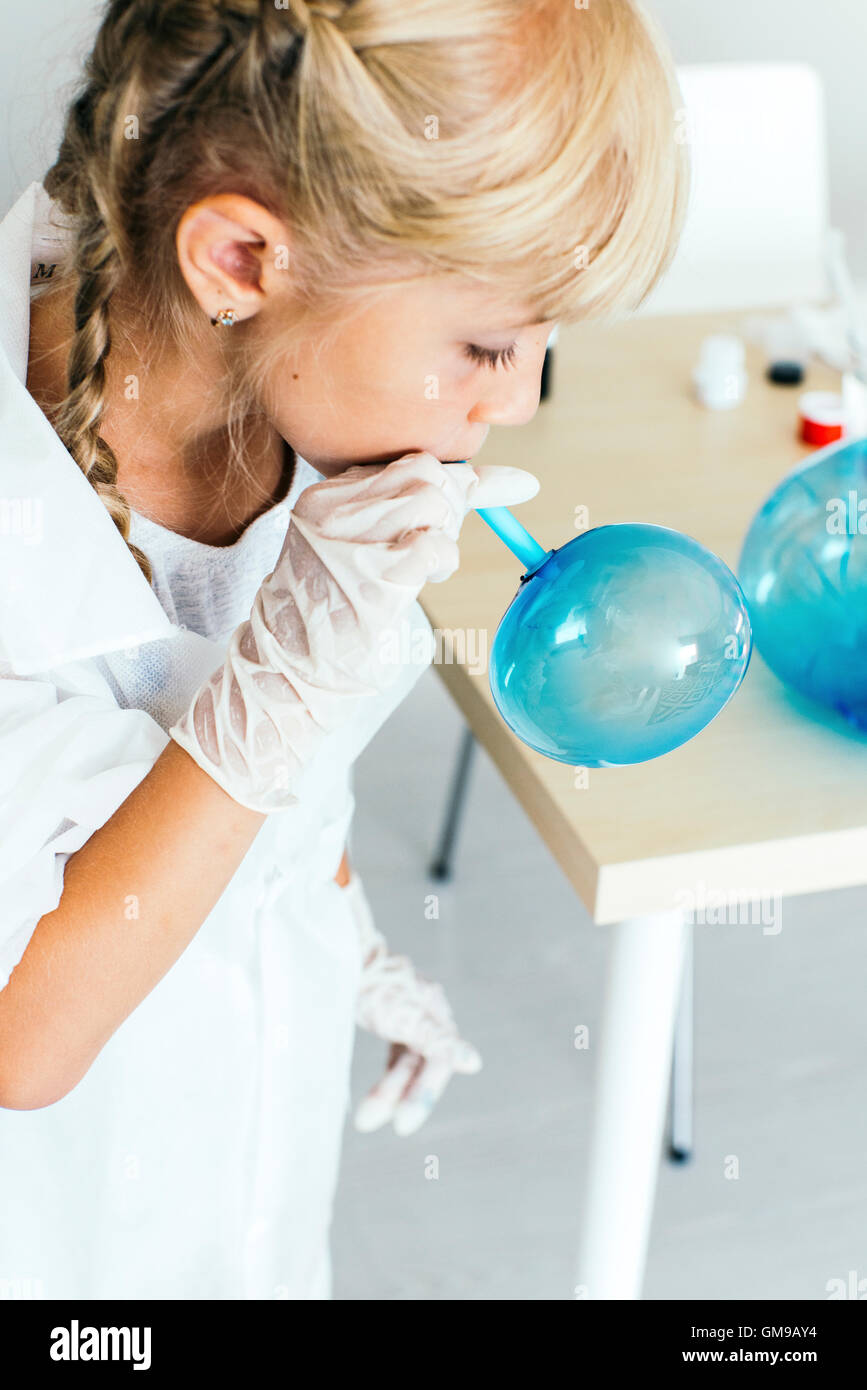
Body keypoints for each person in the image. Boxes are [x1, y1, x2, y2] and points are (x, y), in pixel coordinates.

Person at [0, 0, 688, 1300]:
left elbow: (279, 769)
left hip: (243, 1181)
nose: (522, 400)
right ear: (244, 261)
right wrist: (282, 681)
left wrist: (336, 923)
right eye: (487, 343)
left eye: (545, 343)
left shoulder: (299, 397)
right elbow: (23, 1038)